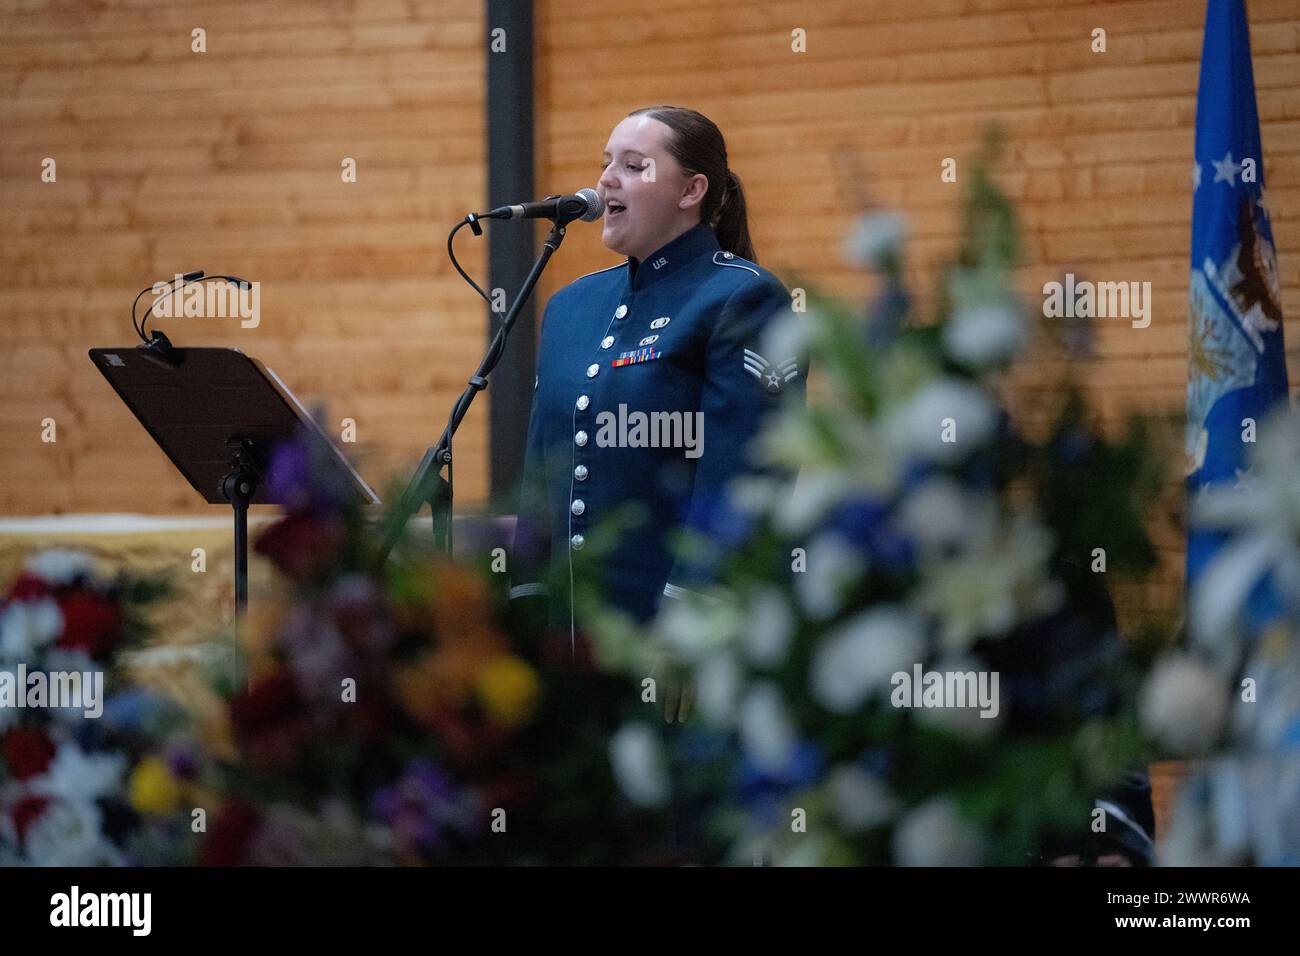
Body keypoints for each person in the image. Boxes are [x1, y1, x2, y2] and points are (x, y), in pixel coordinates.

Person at [508, 106, 805, 716]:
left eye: (634, 165)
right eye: (605, 163)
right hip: (569, 645)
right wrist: (525, 606)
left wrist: (697, 619)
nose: (605, 180)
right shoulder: (569, 306)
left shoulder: (742, 296)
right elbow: (542, 467)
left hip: (675, 642)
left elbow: (748, 474)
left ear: (692, 191)